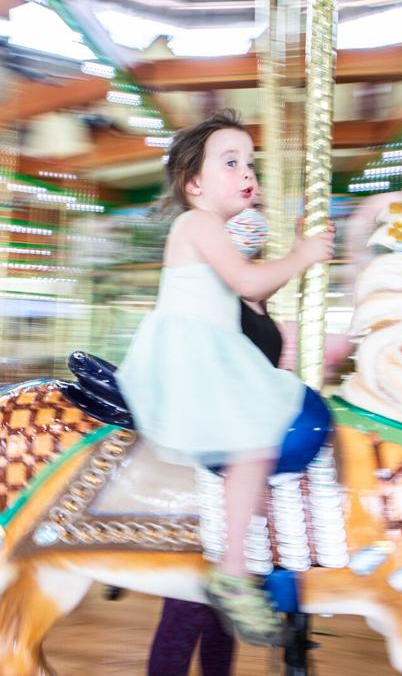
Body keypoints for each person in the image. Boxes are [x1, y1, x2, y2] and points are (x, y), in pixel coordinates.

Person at [117, 110, 334, 646]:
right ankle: (233, 570)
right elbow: (248, 277)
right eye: (231, 162)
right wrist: (302, 255)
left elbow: (250, 292)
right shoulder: (199, 224)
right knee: (254, 441)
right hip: (195, 357)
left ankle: (254, 544)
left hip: (209, 350)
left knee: (263, 437)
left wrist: (293, 249)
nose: (247, 174)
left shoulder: (210, 230)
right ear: (194, 184)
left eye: (250, 164)